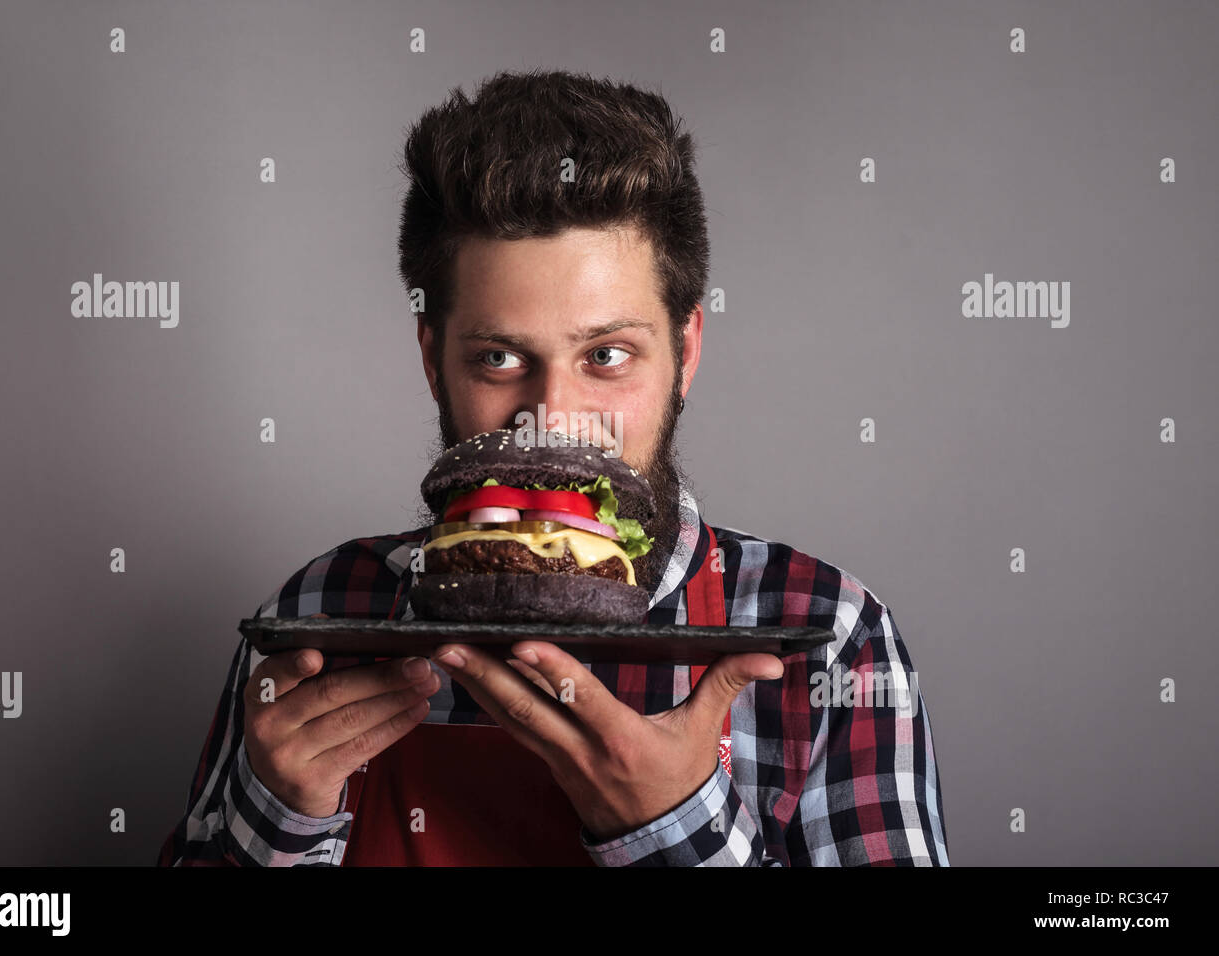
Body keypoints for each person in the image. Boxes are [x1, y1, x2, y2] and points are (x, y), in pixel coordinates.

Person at [158, 68, 948, 866]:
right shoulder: (318, 619)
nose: (552, 418)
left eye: (607, 355)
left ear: (686, 350)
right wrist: (274, 822)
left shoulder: (830, 639)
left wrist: (677, 829)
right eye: (499, 358)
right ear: (434, 362)